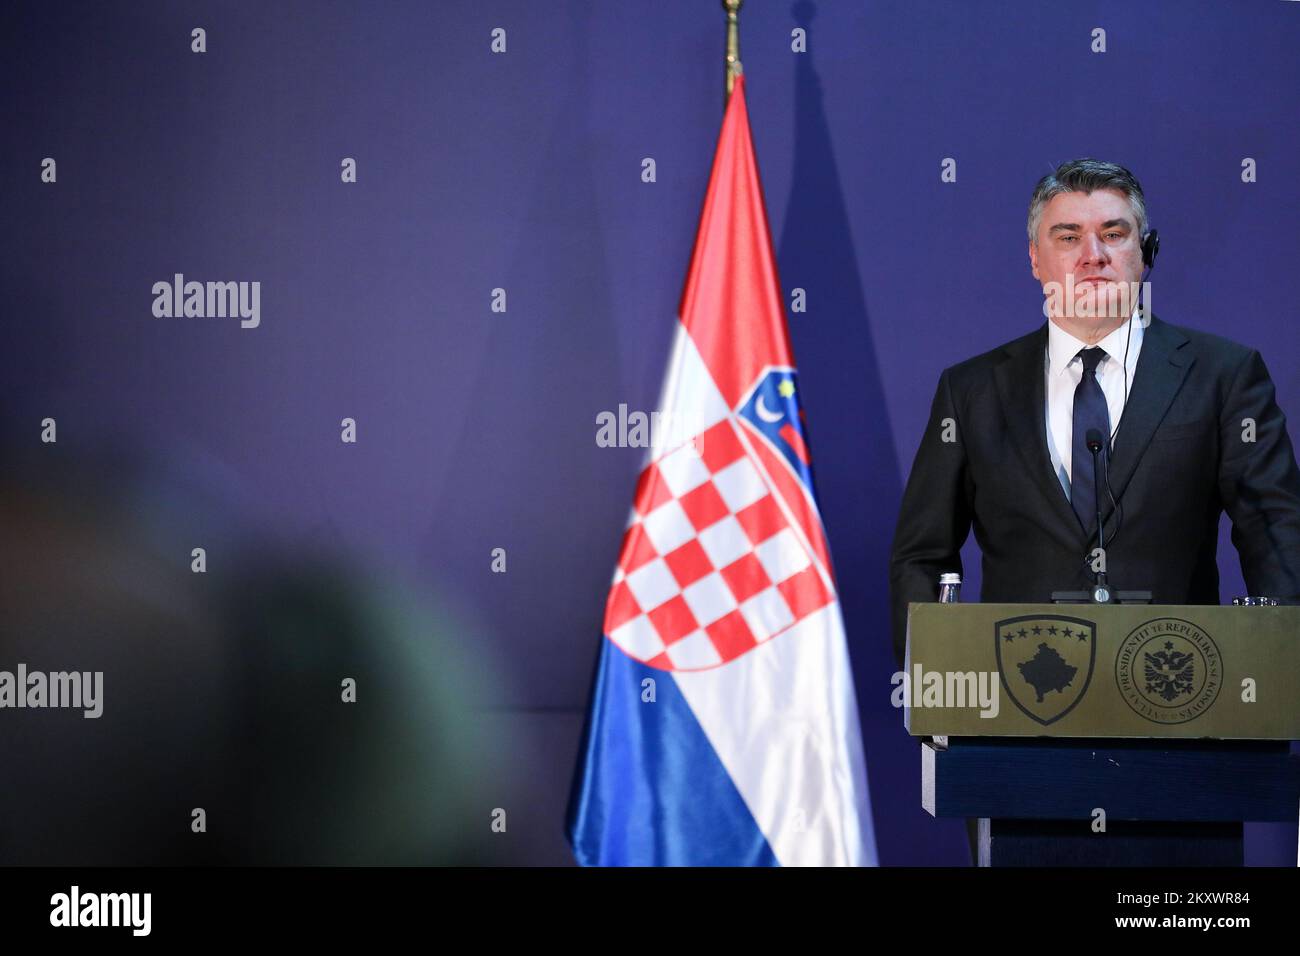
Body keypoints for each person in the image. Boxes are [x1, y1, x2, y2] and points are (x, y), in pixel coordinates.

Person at [888, 158, 1300, 865]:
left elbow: (1276, 531)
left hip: (1183, 727)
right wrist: (937, 694)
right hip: (1017, 737)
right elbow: (921, 555)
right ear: (1035, 258)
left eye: (1115, 233)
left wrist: (1277, 676)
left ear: (1145, 252)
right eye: (1069, 236)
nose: (1093, 255)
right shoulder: (972, 391)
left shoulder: (1224, 376)